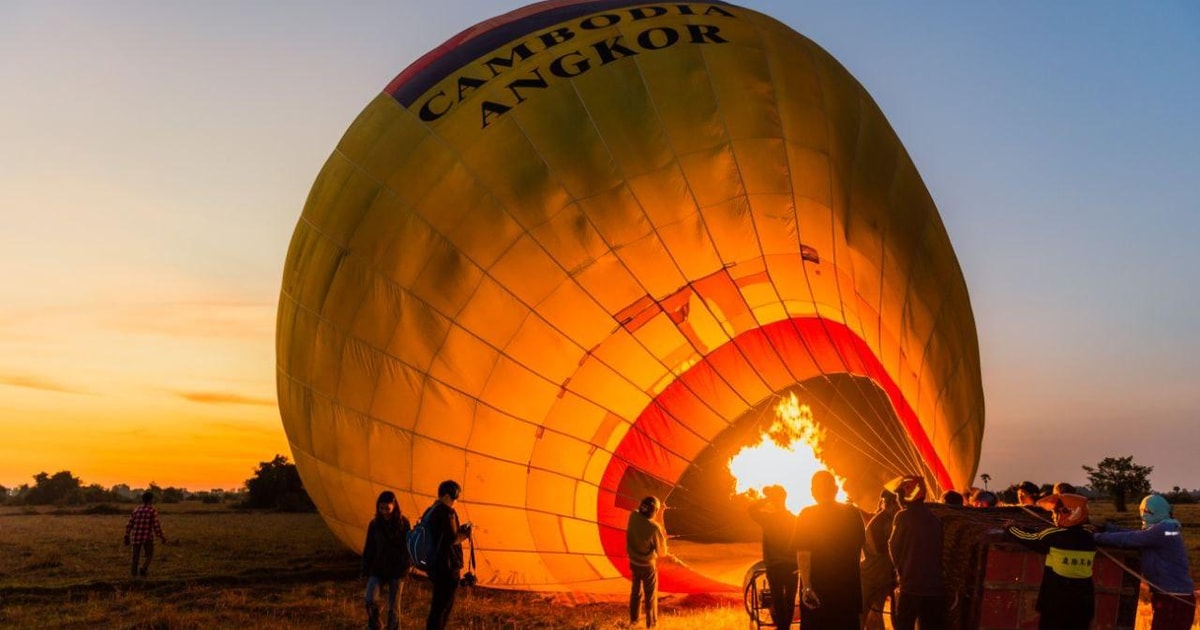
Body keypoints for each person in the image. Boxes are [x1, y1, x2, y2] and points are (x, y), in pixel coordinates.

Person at [1094, 494, 1196, 630]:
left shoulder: (1163, 531)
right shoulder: (1168, 529)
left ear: (1150, 511)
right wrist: (1108, 528)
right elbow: (1136, 535)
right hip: (1171, 596)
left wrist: (1096, 537)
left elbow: (1132, 538)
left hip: (1173, 599)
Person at [1006, 493, 1096, 630]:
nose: (1053, 516)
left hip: (1056, 604)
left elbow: (1029, 539)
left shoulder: (1053, 535)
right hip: (1083, 606)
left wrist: (1010, 528)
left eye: (1055, 512)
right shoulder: (1089, 537)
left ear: (1069, 513)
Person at [791, 470, 866, 629]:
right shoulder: (852, 513)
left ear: (813, 492)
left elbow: (804, 555)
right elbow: (860, 549)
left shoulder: (806, 515)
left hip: (818, 595)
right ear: (836, 489)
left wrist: (807, 587)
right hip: (847, 593)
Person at [888, 476, 947, 630]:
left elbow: (894, 548)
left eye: (899, 495)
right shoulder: (935, 520)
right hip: (935, 589)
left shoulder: (902, 517)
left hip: (911, 588)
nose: (898, 500)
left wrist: (901, 571)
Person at [627, 495, 681, 628]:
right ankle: (651, 625)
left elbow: (643, 514)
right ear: (654, 511)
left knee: (636, 592)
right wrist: (660, 514)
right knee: (650, 596)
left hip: (634, 562)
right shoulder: (654, 528)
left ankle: (634, 621)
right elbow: (661, 552)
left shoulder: (633, 516)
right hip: (647, 566)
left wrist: (658, 510)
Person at [748, 485, 798, 629]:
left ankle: (782, 628)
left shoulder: (768, 519)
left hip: (775, 566)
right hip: (792, 565)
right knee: (789, 599)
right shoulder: (794, 519)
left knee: (777, 600)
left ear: (774, 501)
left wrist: (766, 498)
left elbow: (751, 510)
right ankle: (785, 627)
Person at [426, 480, 471, 630]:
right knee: (444, 606)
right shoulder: (448, 512)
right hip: (448, 565)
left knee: (437, 605)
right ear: (446, 496)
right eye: (454, 497)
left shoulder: (431, 510)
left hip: (435, 564)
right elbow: (452, 538)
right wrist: (465, 533)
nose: (455, 501)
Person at [362, 490, 411, 630]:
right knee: (370, 598)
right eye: (381, 508)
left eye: (387, 508)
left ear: (394, 506)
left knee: (394, 606)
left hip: (397, 570)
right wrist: (365, 567)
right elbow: (369, 546)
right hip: (378, 568)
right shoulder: (375, 524)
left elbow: (408, 546)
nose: (384, 512)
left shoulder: (403, 523)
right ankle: (375, 625)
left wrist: (406, 566)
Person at [861, 488, 900, 630]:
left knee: (874, 616)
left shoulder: (889, 520)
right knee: (863, 615)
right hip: (870, 576)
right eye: (897, 503)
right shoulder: (882, 522)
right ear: (891, 503)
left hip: (879, 577)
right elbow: (882, 549)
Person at [123, 491, 168, 578]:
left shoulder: (136, 510)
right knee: (149, 555)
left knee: (135, 557)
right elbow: (156, 526)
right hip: (147, 537)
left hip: (136, 536)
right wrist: (161, 536)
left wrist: (127, 535)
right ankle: (143, 568)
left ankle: (134, 576)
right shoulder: (152, 510)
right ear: (151, 500)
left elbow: (130, 524)